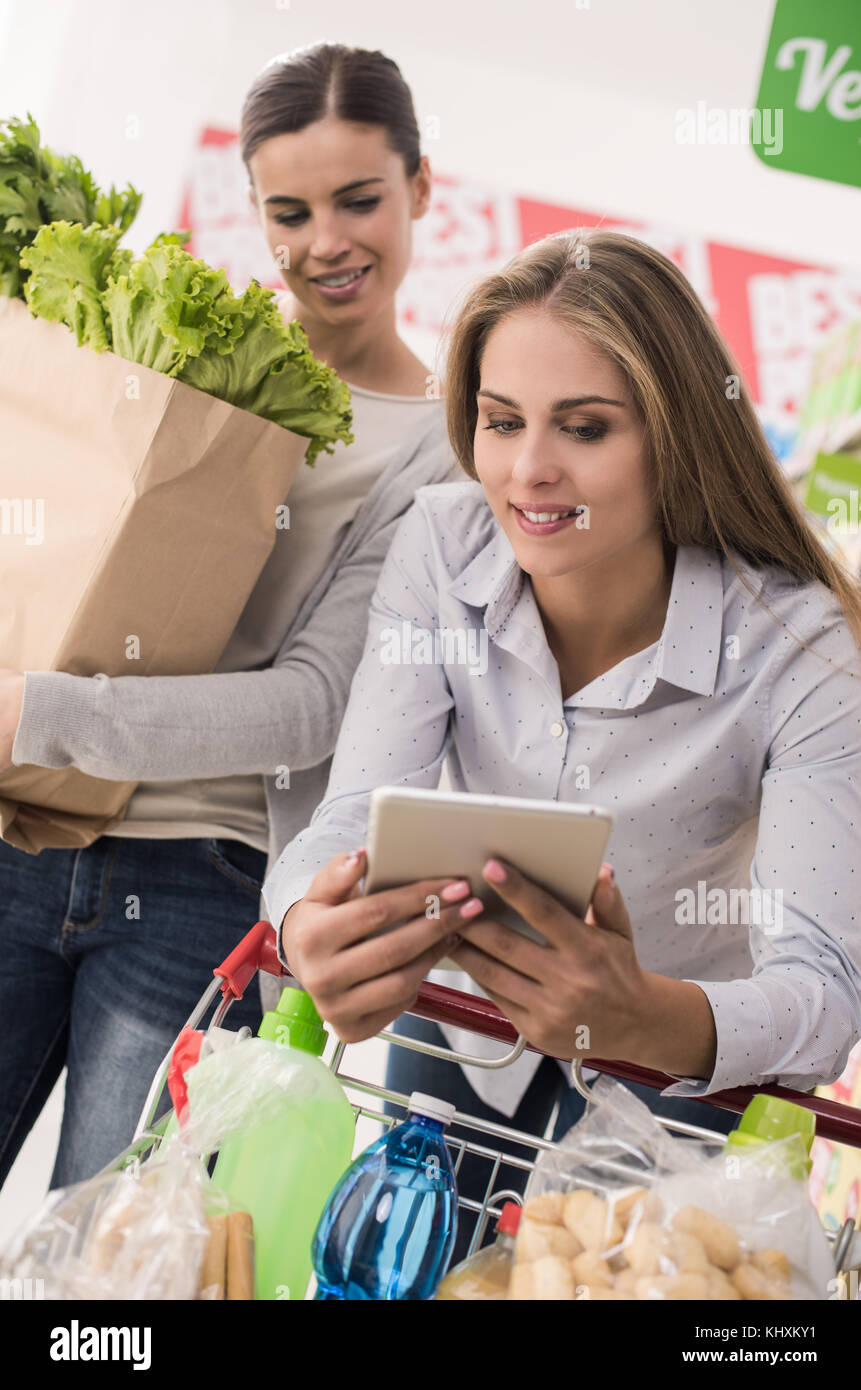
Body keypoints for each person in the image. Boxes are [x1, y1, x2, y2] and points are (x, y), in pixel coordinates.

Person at [264, 228, 861, 1261]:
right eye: (501, 421)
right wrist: (299, 918)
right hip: (458, 1020)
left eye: (584, 427)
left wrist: (646, 1017)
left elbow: (821, 995)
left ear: (675, 434)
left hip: (681, 1066)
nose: (528, 471)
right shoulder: (441, 542)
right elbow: (351, 817)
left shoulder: (798, 643)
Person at [0, 42, 458, 1191]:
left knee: (106, 1261)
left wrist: (33, 711)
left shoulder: (443, 450)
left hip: (205, 884)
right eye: (288, 212)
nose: (326, 244)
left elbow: (310, 708)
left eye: (360, 200)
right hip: (25, 827)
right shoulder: (174, 355)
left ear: (421, 189)